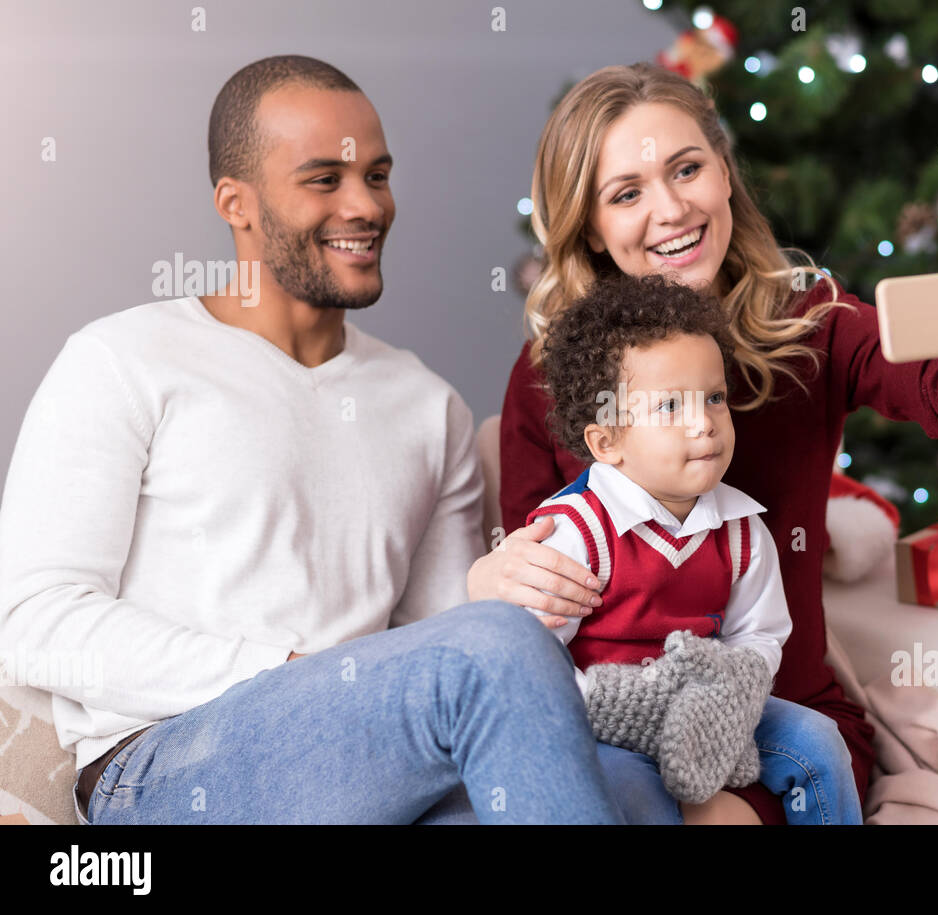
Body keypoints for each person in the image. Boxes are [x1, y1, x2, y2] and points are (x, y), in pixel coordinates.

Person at [0, 55, 624, 825]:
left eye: (377, 176)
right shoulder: (122, 359)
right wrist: (293, 672)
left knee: (629, 785)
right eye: (325, 179)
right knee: (496, 649)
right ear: (237, 203)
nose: (365, 205)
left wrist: (507, 585)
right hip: (166, 766)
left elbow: (445, 637)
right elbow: (36, 622)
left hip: (362, 766)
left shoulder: (427, 404)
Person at [471, 62, 938, 825]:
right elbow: (531, 577)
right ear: (590, 228)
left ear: (724, 172)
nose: (671, 209)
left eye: (687, 168)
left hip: (777, 720)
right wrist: (494, 579)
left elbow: (937, 387)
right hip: (617, 729)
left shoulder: (810, 322)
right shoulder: (548, 373)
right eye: (626, 193)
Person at [522, 271, 861, 824]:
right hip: (605, 722)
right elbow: (535, 655)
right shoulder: (576, 531)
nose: (704, 423)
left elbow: (760, 632)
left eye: (715, 398)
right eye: (671, 408)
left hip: (708, 705)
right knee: (633, 790)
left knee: (819, 740)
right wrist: (613, 710)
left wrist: (727, 700)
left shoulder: (741, 527)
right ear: (607, 440)